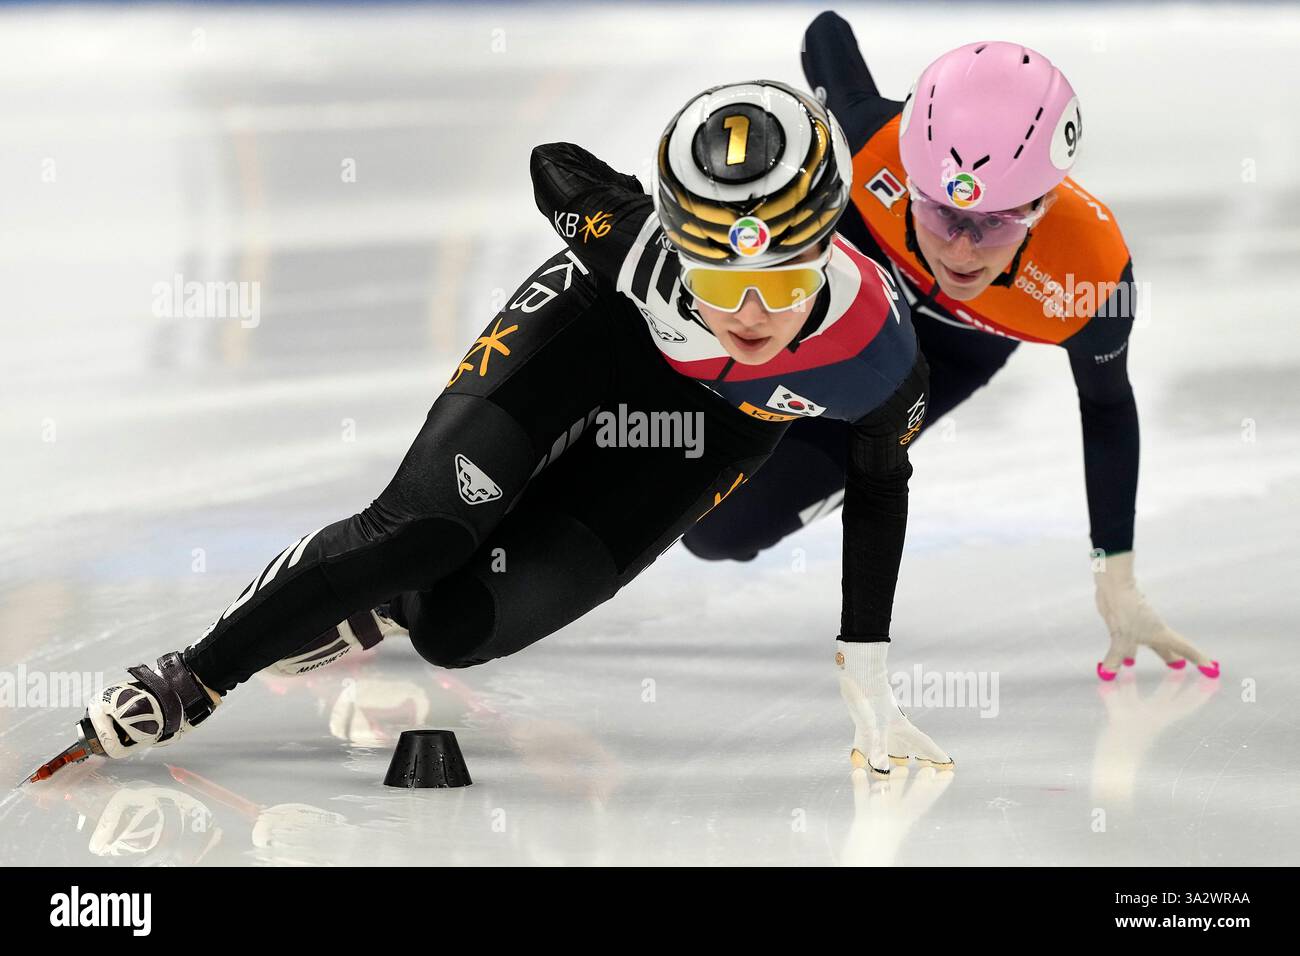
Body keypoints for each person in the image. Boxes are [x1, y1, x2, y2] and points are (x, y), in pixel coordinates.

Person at [29, 80, 951, 785]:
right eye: (715, 273)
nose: (747, 315)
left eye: (780, 283)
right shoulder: (629, 247)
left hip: (711, 424)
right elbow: (556, 166)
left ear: (828, 244)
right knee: (427, 530)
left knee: (459, 627)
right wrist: (621, 222)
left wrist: (865, 670)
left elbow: (879, 488)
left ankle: (378, 603)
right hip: (598, 332)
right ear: (677, 240)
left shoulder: (876, 358)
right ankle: (198, 670)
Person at [684, 12, 1219, 683]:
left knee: (719, 531)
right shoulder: (868, 139)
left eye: (994, 225)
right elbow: (826, 33)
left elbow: (1107, 408)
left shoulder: (1092, 278)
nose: (961, 250)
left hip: (923, 369)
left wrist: (1116, 575)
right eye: (941, 211)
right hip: (824, 304)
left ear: (1043, 203)